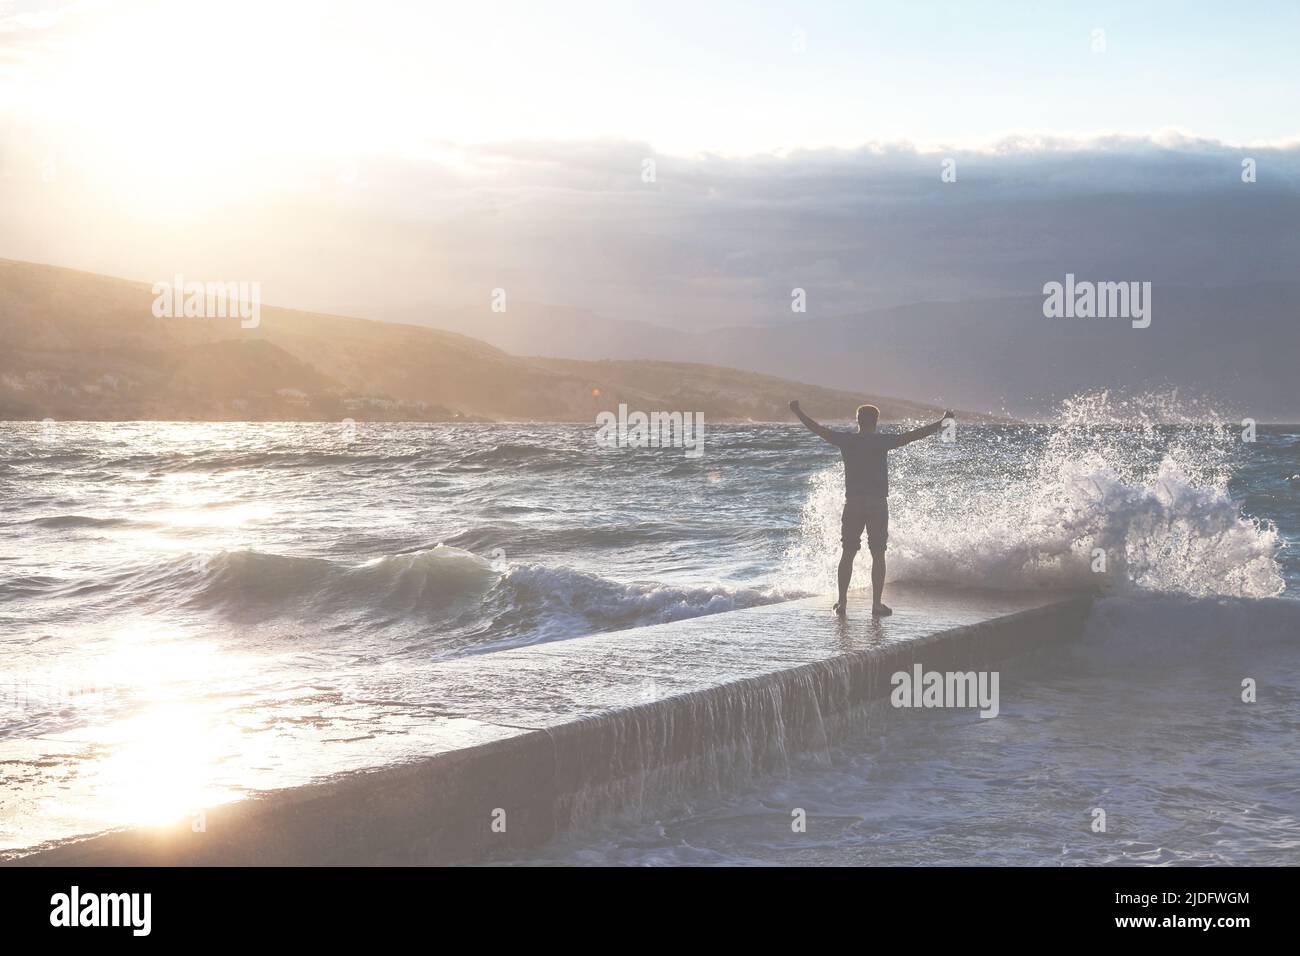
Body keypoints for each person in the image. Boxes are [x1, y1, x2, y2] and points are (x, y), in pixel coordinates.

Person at [789, 400, 953, 617]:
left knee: (848, 553)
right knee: (878, 554)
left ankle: (842, 603)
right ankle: (876, 605)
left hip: (853, 503)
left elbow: (817, 429)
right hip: (877, 503)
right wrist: (941, 423)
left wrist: (798, 411)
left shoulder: (846, 441)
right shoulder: (882, 441)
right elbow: (913, 435)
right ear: (876, 421)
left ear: (857, 420)